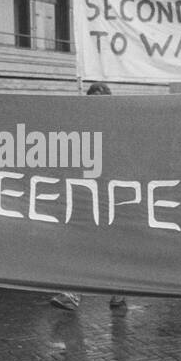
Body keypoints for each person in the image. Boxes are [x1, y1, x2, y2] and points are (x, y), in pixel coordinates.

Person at [50, 81, 126, 310]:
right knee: (80, 244)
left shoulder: (119, 129)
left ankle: (119, 292)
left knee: (113, 247)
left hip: (112, 197)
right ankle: (72, 294)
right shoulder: (79, 128)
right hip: (85, 196)